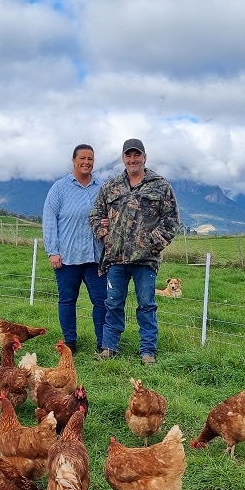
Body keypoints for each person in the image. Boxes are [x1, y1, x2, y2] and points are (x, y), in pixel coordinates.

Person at [89, 138, 180, 365]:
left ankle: (147, 352)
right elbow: (94, 215)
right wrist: (104, 233)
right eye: (128, 155)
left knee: (147, 305)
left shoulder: (160, 185)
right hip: (115, 259)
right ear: (123, 158)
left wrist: (150, 244)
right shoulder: (111, 187)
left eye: (136, 155)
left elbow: (171, 221)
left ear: (144, 157)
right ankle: (110, 348)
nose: (133, 159)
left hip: (145, 261)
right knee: (113, 304)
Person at [42, 143, 107, 354]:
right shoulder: (59, 188)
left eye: (90, 159)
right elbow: (49, 220)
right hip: (67, 258)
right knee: (67, 300)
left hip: (95, 257)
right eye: (83, 158)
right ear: (74, 160)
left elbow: (111, 214)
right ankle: (70, 342)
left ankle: (103, 343)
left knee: (101, 302)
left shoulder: (102, 187)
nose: (87, 162)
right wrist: (53, 251)